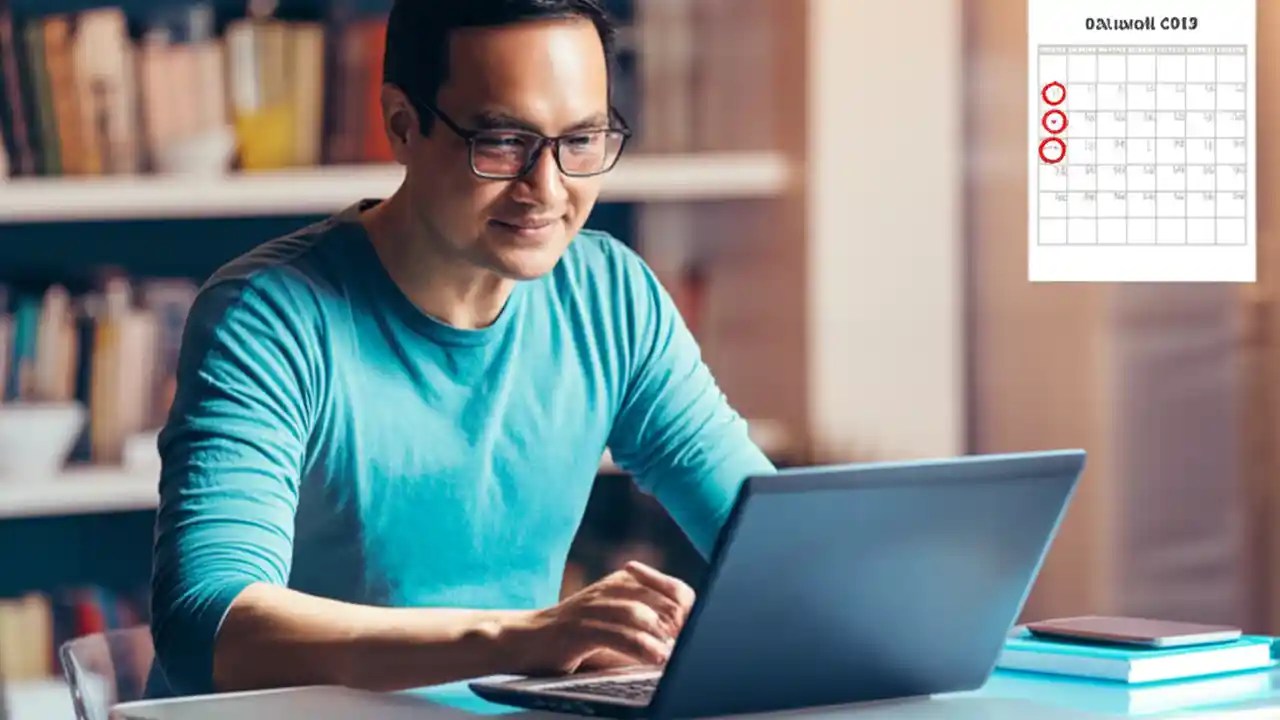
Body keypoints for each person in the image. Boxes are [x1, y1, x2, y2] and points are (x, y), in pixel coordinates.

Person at [147, 0, 774, 699]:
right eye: (503, 141)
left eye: (581, 140)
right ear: (401, 124)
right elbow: (209, 627)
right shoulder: (268, 316)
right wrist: (524, 638)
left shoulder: (610, 297)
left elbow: (771, 541)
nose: (547, 189)